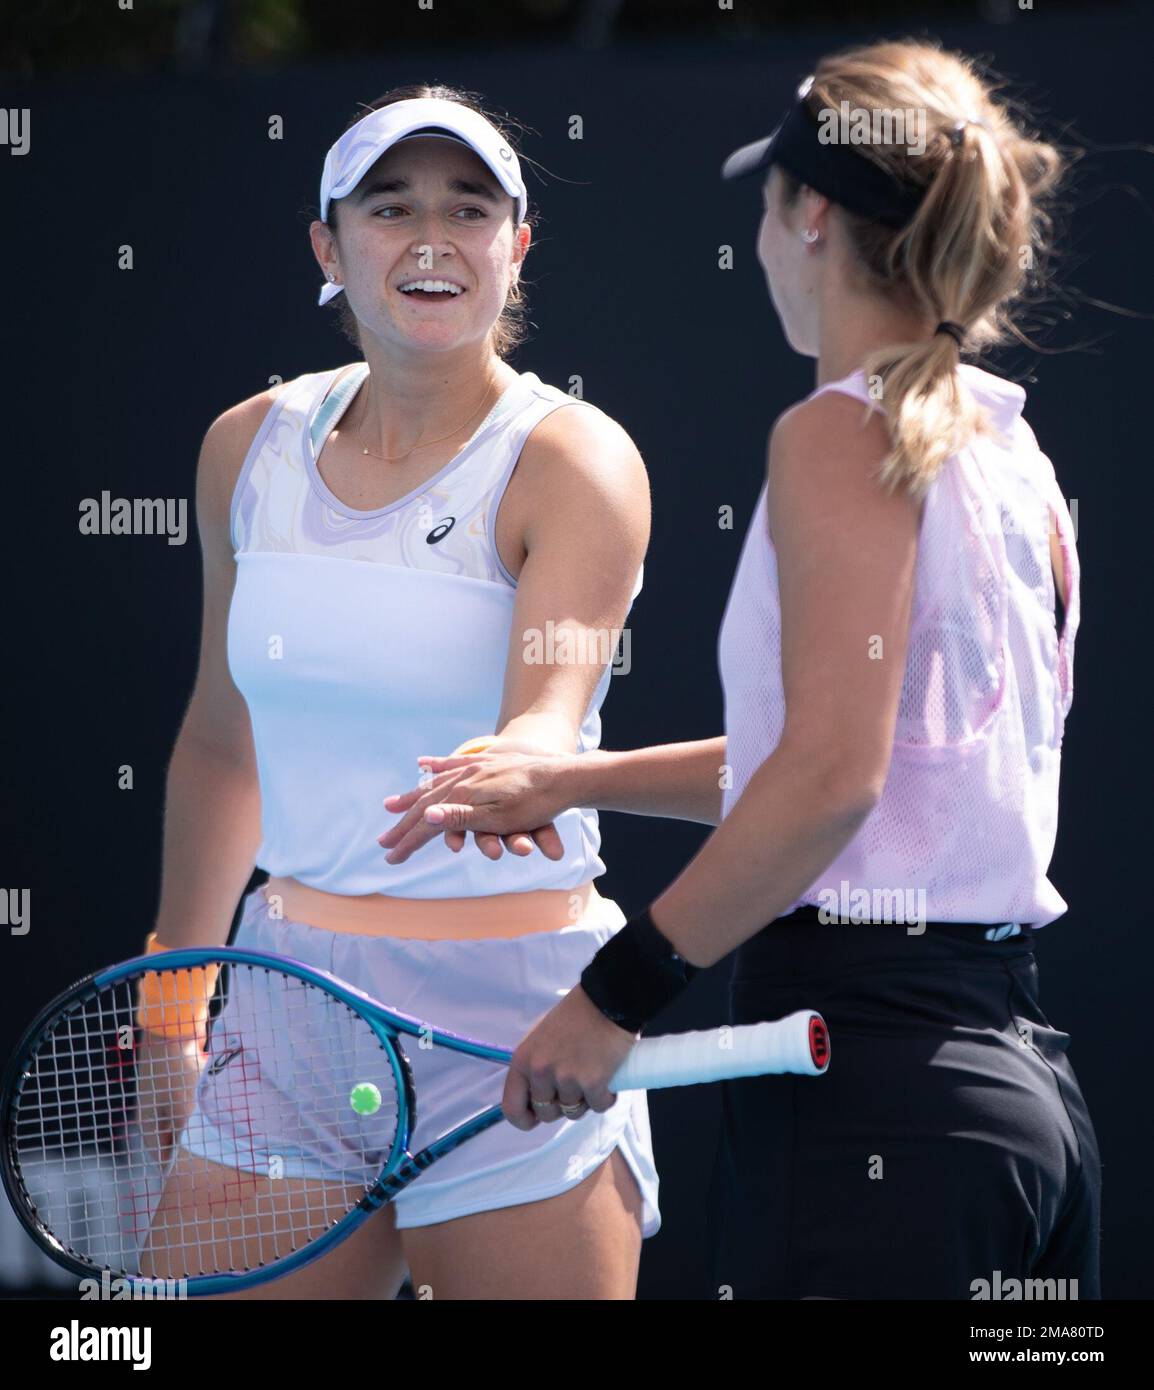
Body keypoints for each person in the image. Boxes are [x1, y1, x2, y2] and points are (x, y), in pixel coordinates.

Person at [380, 41, 1102, 1300]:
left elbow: (828, 780)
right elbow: (858, 771)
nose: (764, 233)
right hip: (1019, 1112)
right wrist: (574, 781)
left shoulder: (839, 435)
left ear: (808, 214)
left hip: (880, 1112)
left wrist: (612, 997)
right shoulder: (1011, 457)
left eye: (769, 203)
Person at [141, 85, 660, 1300]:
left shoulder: (574, 457)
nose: (430, 238)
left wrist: (521, 761)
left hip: (518, 1027)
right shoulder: (245, 445)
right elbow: (224, 742)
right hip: (289, 1007)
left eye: (467, 209)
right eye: (390, 208)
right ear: (329, 247)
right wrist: (177, 1002)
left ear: (513, 247)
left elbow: (550, 704)